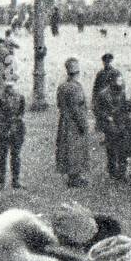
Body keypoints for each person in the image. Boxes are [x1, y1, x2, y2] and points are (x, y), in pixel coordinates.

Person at [56, 58, 91, 187]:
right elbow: (77, 109)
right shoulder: (76, 88)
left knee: (67, 148)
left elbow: (59, 104)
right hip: (74, 123)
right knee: (75, 149)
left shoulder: (62, 86)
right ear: (77, 72)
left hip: (64, 121)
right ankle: (75, 177)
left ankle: (73, 176)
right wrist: (83, 124)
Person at [93, 71, 131, 180]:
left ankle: (122, 172)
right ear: (112, 81)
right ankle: (112, 171)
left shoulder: (122, 93)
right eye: (119, 80)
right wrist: (107, 117)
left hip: (122, 123)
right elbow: (97, 109)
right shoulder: (103, 94)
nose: (121, 82)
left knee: (123, 149)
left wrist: (130, 103)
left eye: (121, 80)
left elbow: (126, 107)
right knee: (111, 149)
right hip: (110, 124)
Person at [0, 79, 27, 189]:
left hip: (14, 130)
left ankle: (14, 181)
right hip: (5, 130)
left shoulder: (19, 97)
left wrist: (13, 123)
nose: (10, 85)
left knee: (13, 156)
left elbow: (21, 113)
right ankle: (3, 182)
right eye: (8, 83)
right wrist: (1, 126)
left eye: (11, 83)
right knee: (4, 156)